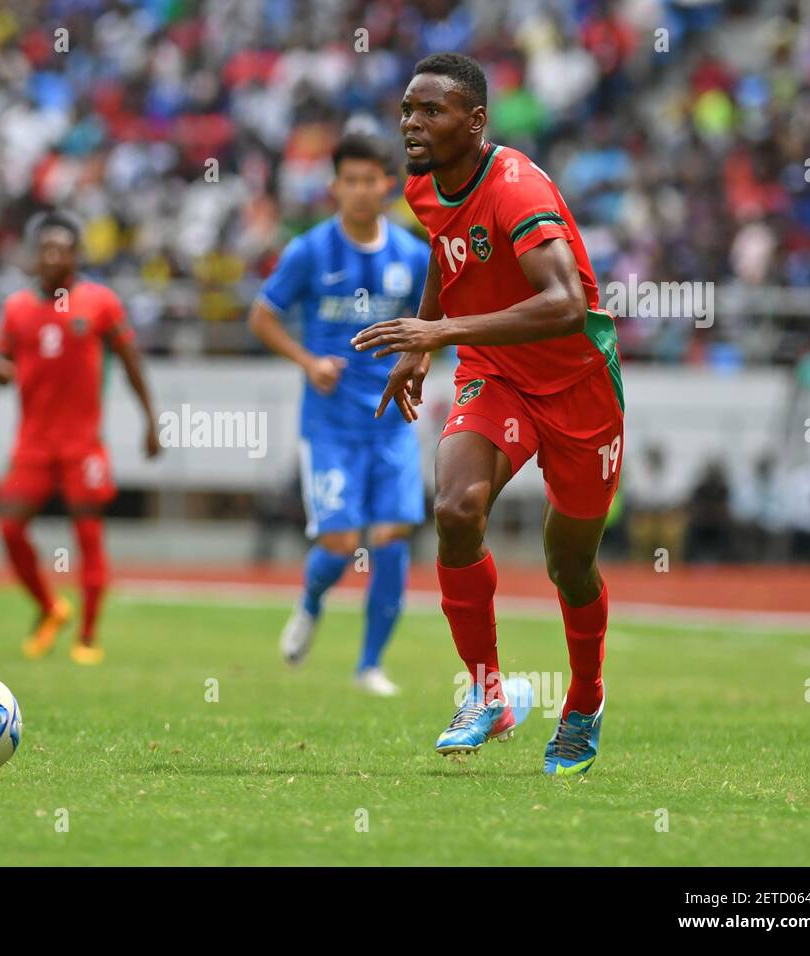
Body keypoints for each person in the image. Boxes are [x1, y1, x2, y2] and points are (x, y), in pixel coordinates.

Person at [352, 53, 624, 775]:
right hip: (495, 372)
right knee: (456, 507)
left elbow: (567, 304)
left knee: (571, 564)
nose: (411, 123)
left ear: (475, 123)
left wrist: (437, 334)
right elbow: (450, 252)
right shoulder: (420, 181)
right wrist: (423, 342)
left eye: (429, 111)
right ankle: (487, 693)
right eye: (407, 109)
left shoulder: (516, 188)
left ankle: (585, 700)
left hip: (578, 387)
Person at [247, 132, 431, 696]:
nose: (357, 190)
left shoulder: (414, 256)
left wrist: (420, 357)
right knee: (341, 541)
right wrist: (307, 361)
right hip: (329, 424)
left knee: (394, 533)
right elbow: (262, 316)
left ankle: (370, 664)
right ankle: (310, 600)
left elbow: (437, 323)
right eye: (347, 180)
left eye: (367, 179)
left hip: (392, 420)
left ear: (387, 185)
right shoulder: (309, 251)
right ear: (333, 187)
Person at [0, 211, 160, 665]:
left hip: (83, 443)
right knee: (10, 527)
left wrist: (151, 419)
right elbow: (1, 363)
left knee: (88, 534)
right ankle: (51, 608)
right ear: (34, 256)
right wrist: (0, 372)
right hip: (32, 443)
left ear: (75, 255)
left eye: (60, 248)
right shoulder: (16, 309)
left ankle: (87, 637)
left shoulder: (100, 303)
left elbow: (129, 362)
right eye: (44, 249)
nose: (51, 256)